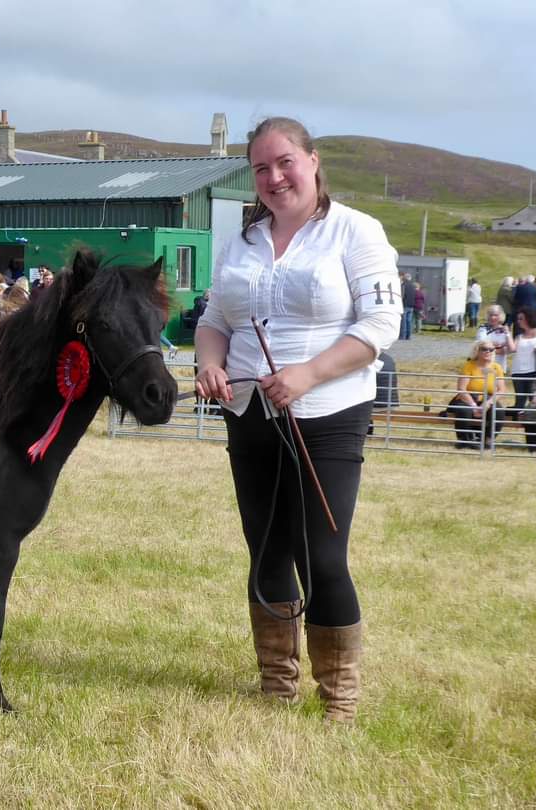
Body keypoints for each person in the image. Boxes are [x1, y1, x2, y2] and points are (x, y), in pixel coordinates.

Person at [194, 116, 401, 724]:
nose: (273, 176)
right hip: (250, 413)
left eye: (284, 161)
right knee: (266, 550)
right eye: (260, 167)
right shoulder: (242, 241)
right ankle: (275, 684)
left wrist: (307, 374)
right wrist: (210, 364)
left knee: (323, 557)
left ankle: (339, 696)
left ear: (313, 161)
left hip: (328, 412)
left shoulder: (355, 232)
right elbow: (215, 320)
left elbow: (378, 328)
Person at [446, 340, 507, 448]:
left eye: (491, 349)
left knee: (499, 411)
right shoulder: (469, 365)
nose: (488, 352)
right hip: (467, 398)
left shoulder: (497, 367)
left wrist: (488, 403)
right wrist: (474, 406)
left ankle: (488, 440)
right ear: (477, 351)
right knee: (464, 410)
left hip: (488, 398)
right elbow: (461, 388)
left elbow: (501, 390)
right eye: (484, 349)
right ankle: (464, 440)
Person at [476, 305, 515, 375]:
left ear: (501, 316)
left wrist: (507, 333)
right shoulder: (483, 328)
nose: (493, 317)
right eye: (490, 315)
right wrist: (501, 348)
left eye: (495, 315)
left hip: (500, 365)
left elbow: (512, 349)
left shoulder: (505, 330)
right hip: (484, 364)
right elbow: (481, 344)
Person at [399, 272, 416, 340]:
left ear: (404, 278)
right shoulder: (413, 285)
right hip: (411, 305)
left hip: (405, 304)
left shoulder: (403, 285)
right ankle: (408, 336)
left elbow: (402, 295)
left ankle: (402, 336)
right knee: (409, 321)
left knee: (404, 321)